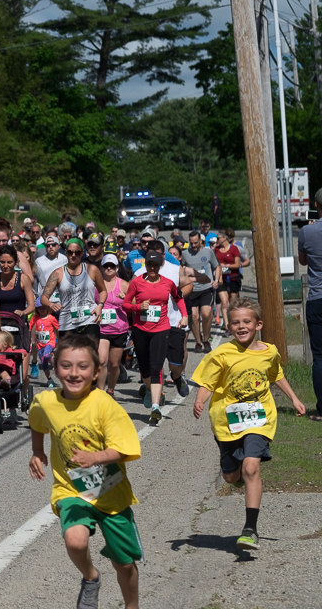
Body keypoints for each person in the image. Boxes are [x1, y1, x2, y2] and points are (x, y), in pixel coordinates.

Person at [28, 334, 143, 609]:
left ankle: (132, 605)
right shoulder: (46, 401)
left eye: (82, 367)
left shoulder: (105, 405)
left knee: (124, 564)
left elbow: (126, 448)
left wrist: (97, 457)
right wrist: (37, 451)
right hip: (71, 490)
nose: (74, 373)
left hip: (110, 493)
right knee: (75, 540)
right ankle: (90, 577)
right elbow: (37, 420)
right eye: (66, 366)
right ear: (55, 369)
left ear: (96, 372)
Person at [192, 298, 306, 549]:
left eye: (246, 321)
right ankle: (241, 476)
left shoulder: (269, 352)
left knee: (252, 467)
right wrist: (200, 400)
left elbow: (276, 375)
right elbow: (207, 382)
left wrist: (295, 398)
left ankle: (249, 529)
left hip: (259, 419)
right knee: (231, 477)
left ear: (258, 324)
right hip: (227, 422)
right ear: (230, 327)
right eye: (235, 323)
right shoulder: (222, 354)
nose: (241, 326)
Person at [122, 252, 188, 425]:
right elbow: (125, 304)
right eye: (149, 264)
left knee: (156, 366)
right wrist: (138, 306)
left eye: (155, 265)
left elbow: (178, 298)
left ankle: (155, 407)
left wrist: (185, 315)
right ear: (145, 264)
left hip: (161, 328)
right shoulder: (137, 282)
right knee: (144, 368)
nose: (152, 268)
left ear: (160, 266)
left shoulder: (168, 283)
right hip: (140, 330)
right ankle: (149, 390)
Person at [42, 239, 107, 342]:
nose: (73, 255)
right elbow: (43, 298)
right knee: (69, 357)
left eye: (77, 252)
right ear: (66, 252)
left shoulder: (92, 269)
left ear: (82, 253)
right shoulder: (57, 273)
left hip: (89, 320)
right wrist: (51, 305)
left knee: (90, 355)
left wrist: (100, 305)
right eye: (70, 252)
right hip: (67, 323)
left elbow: (103, 290)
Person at [298, 191, 322, 421]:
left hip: (317, 297)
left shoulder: (307, 231)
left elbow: (303, 260)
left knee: (320, 357)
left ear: (316, 205)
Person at [182, 231, 221, 353]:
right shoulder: (185, 254)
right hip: (191, 290)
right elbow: (181, 270)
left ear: (200, 241)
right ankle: (198, 342)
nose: (193, 245)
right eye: (191, 243)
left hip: (205, 288)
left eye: (195, 243)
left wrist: (216, 280)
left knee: (206, 313)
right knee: (194, 316)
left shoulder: (208, 252)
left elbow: (217, 266)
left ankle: (206, 339)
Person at [98, 254, 129, 396]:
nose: (109, 268)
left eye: (112, 266)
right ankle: (100, 393)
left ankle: (110, 390)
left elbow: (136, 304)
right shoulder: (96, 284)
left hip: (119, 329)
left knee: (114, 364)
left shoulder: (123, 284)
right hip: (102, 328)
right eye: (106, 266)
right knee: (102, 360)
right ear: (102, 268)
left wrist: (127, 299)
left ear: (117, 268)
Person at [214, 229, 242, 332]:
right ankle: (227, 326)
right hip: (222, 279)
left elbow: (237, 264)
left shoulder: (234, 249)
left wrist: (227, 265)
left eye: (218, 238)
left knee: (232, 303)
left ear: (224, 238)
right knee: (224, 303)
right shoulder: (216, 250)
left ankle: (234, 322)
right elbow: (215, 264)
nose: (217, 240)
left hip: (233, 278)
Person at [30, 299, 59, 387]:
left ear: (48, 308)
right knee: (43, 363)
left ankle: (56, 366)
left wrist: (59, 339)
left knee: (47, 355)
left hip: (50, 342)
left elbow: (57, 329)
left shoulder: (51, 318)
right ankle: (50, 380)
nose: (42, 310)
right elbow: (31, 327)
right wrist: (32, 338)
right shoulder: (35, 318)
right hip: (40, 344)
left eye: (44, 308)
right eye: (39, 308)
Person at [34, 235, 66, 309]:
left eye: (53, 245)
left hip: (60, 298)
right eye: (48, 245)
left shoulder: (64, 259)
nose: (50, 247)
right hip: (43, 298)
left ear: (58, 246)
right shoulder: (38, 261)